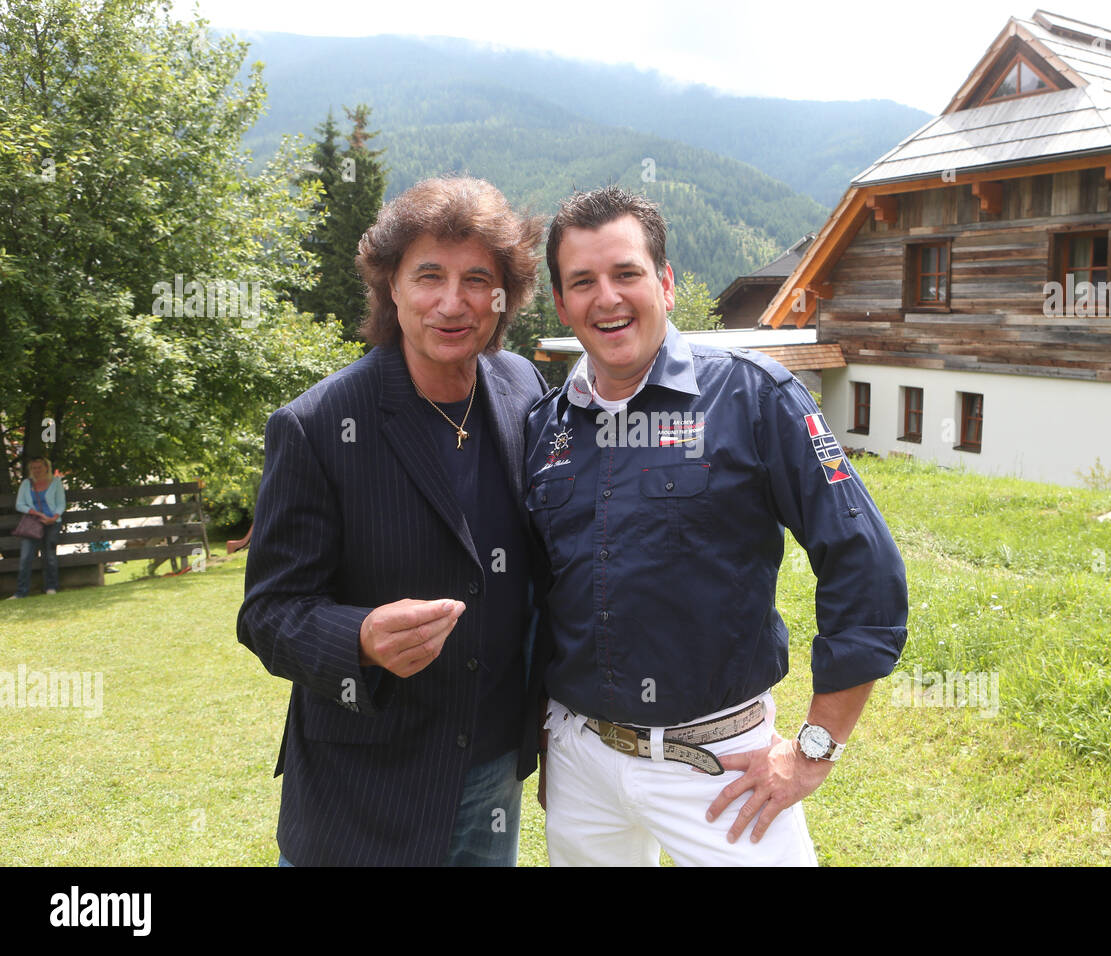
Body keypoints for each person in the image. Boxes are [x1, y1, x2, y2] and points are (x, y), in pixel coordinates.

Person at [526, 186, 909, 866]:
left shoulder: (753, 397)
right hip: (582, 761)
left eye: (626, 274)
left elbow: (864, 568)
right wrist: (552, 736)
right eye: (582, 282)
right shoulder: (546, 425)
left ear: (666, 284)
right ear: (561, 303)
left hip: (724, 765)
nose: (606, 298)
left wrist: (816, 747)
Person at [237, 176, 547, 866]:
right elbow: (267, 613)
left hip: (492, 771)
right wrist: (360, 638)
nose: (452, 302)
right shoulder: (316, 426)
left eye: (478, 279)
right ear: (392, 288)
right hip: (364, 789)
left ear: (506, 296)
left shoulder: (524, 389)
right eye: (428, 275)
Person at [11, 456, 65, 598]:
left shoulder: (56, 482)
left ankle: (51, 587)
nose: (36, 470)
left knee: (50, 555)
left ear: (46, 467)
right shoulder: (26, 484)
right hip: (33, 523)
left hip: (52, 523)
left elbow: (61, 504)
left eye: (39, 467)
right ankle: (21, 592)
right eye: (33, 468)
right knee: (26, 556)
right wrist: (37, 513)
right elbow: (19, 504)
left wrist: (52, 518)